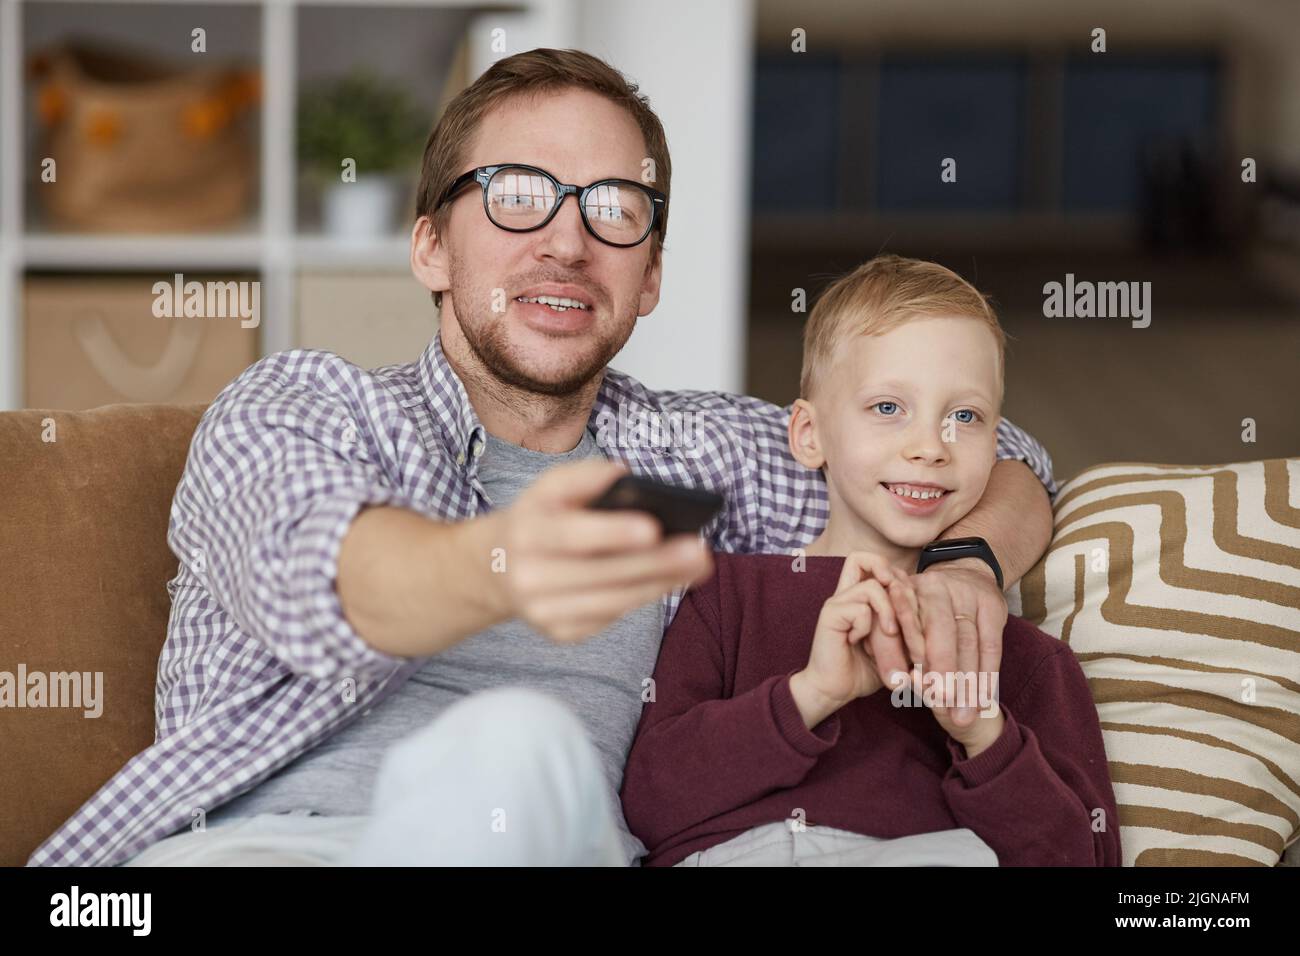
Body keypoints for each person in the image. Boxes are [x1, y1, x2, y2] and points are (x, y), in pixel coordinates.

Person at [28, 51, 1058, 868]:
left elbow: (1003, 454)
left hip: (558, 843)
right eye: (518, 194)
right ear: (430, 245)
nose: (566, 242)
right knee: (512, 737)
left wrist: (966, 559)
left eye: (611, 207)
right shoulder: (311, 407)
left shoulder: (687, 461)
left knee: (523, 757)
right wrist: (500, 562)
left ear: (648, 274)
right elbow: (324, 571)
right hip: (271, 846)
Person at [620, 255, 1121, 867]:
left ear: (998, 446)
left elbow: (1085, 859)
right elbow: (651, 803)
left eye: (964, 417)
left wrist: (983, 735)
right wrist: (810, 695)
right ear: (809, 434)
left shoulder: (1021, 656)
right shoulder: (724, 594)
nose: (929, 447)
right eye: (888, 408)